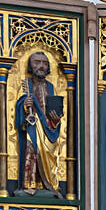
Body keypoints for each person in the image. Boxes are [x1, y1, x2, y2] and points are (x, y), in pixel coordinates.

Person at [15, 51, 65, 195]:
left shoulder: (51, 87)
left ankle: (47, 184)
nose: (41, 66)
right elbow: (19, 106)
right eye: (37, 63)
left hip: (49, 129)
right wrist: (25, 105)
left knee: (49, 155)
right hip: (33, 127)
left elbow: (56, 109)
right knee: (31, 151)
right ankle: (29, 184)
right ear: (30, 66)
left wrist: (55, 119)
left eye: (44, 63)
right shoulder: (26, 85)